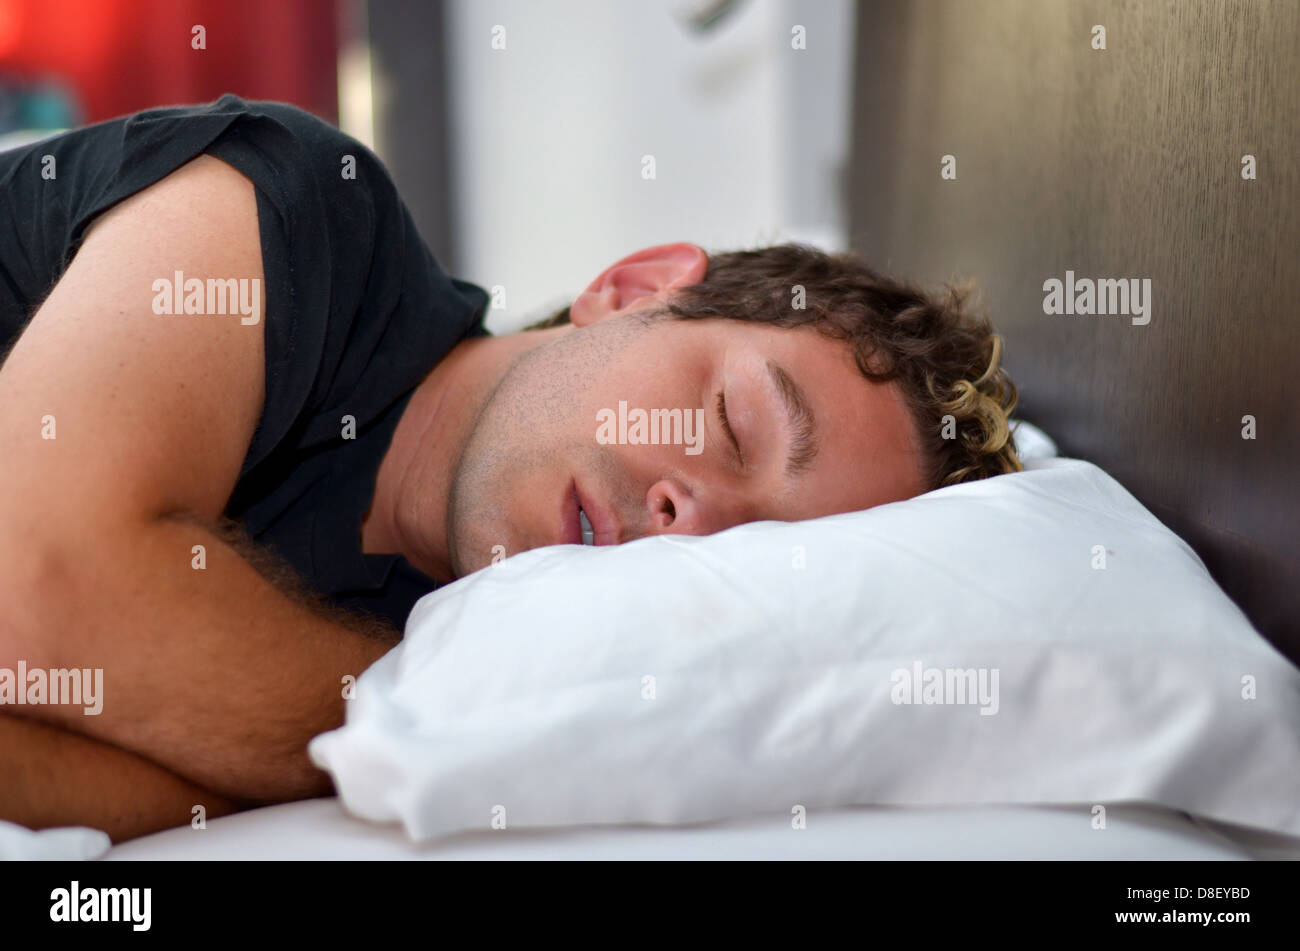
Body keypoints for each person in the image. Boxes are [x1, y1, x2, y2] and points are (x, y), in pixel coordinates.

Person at [0, 96, 1020, 841]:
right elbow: (39, 580)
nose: (689, 517)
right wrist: (392, 720)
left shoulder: (452, 650)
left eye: (747, 555)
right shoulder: (300, 209)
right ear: (632, 290)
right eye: (731, 425)